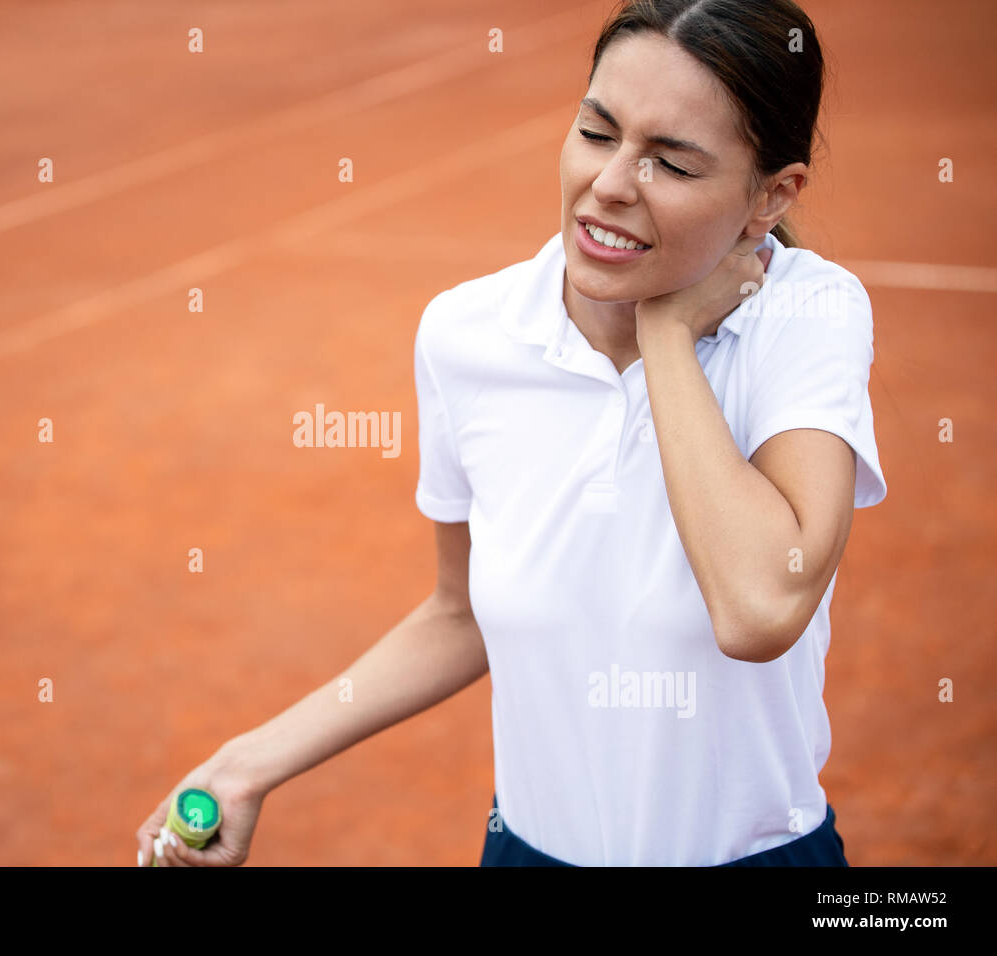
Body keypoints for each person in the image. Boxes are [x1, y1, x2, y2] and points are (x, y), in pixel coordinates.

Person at [137, 0, 887, 867]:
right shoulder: (466, 334)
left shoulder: (806, 312)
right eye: (596, 132)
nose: (611, 183)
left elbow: (761, 607)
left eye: (671, 163)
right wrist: (244, 766)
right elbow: (461, 615)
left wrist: (667, 336)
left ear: (772, 197)